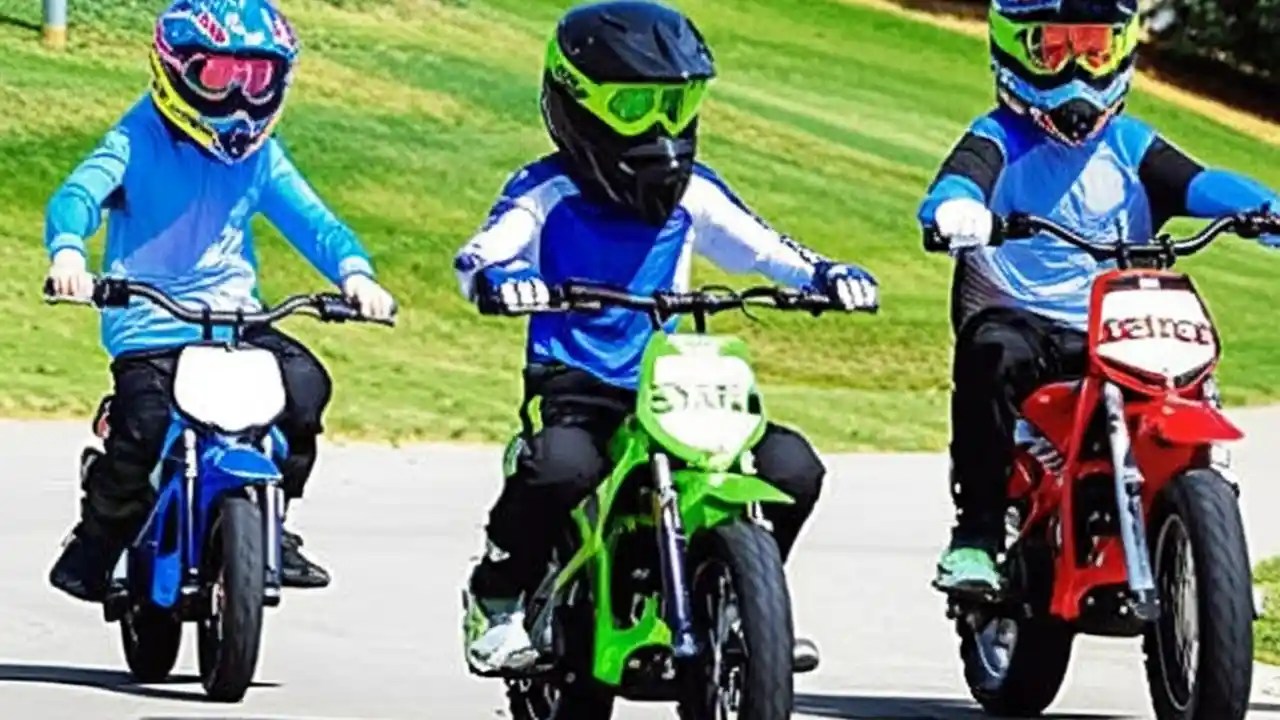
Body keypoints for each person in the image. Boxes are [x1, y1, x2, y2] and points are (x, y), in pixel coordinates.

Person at [454, 0, 880, 676]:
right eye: (633, 107)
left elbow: (767, 251)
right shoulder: (544, 191)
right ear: (576, 104)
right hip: (577, 388)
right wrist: (501, 280)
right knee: (561, 467)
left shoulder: (695, 194)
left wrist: (827, 275)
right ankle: (497, 599)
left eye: (674, 107)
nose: (659, 129)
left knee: (792, 467)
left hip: (676, 384)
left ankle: (743, 604)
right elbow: (479, 254)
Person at [919, 0, 1280, 597]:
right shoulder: (998, 137)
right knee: (989, 352)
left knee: (1188, 367)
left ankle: (1205, 517)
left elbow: (1197, 182)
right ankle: (978, 537)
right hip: (1025, 319)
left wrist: (1261, 206)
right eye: (1054, 49)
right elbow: (959, 181)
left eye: (1094, 48)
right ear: (1013, 51)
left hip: (1119, 321)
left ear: (1123, 49)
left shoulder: (1129, 143)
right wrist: (956, 210)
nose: (1077, 71)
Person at [43, 0, 396, 602]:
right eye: (219, 75)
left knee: (305, 388)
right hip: (150, 321)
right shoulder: (136, 138)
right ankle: (95, 542)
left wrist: (355, 274)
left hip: (237, 320)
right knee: (144, 426)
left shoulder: (260, 153)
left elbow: (315, 222)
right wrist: (70, 252)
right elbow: (77, 194)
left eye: (257, 78)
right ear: (175, 69)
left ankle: (274, 522)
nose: (239, 98)